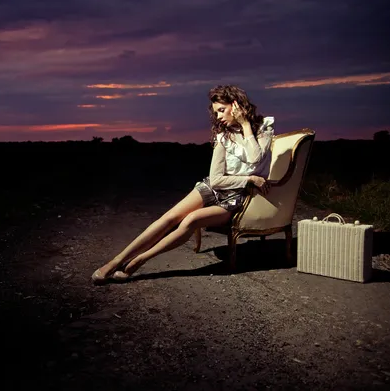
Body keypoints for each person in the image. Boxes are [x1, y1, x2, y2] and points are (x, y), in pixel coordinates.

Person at [91, 85, 275, 285]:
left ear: (236, 105)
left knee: (190, 220)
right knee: (169, 217)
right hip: (214, 188)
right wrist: (248, 179)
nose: (219, 116)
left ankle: (139, 260)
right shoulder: (224, 137)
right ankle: (116, 261)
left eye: (222, 110)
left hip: (234, 198)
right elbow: (216, 180)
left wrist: (245, 124)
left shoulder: (263, 129)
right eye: (216, 113)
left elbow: (256, 158)